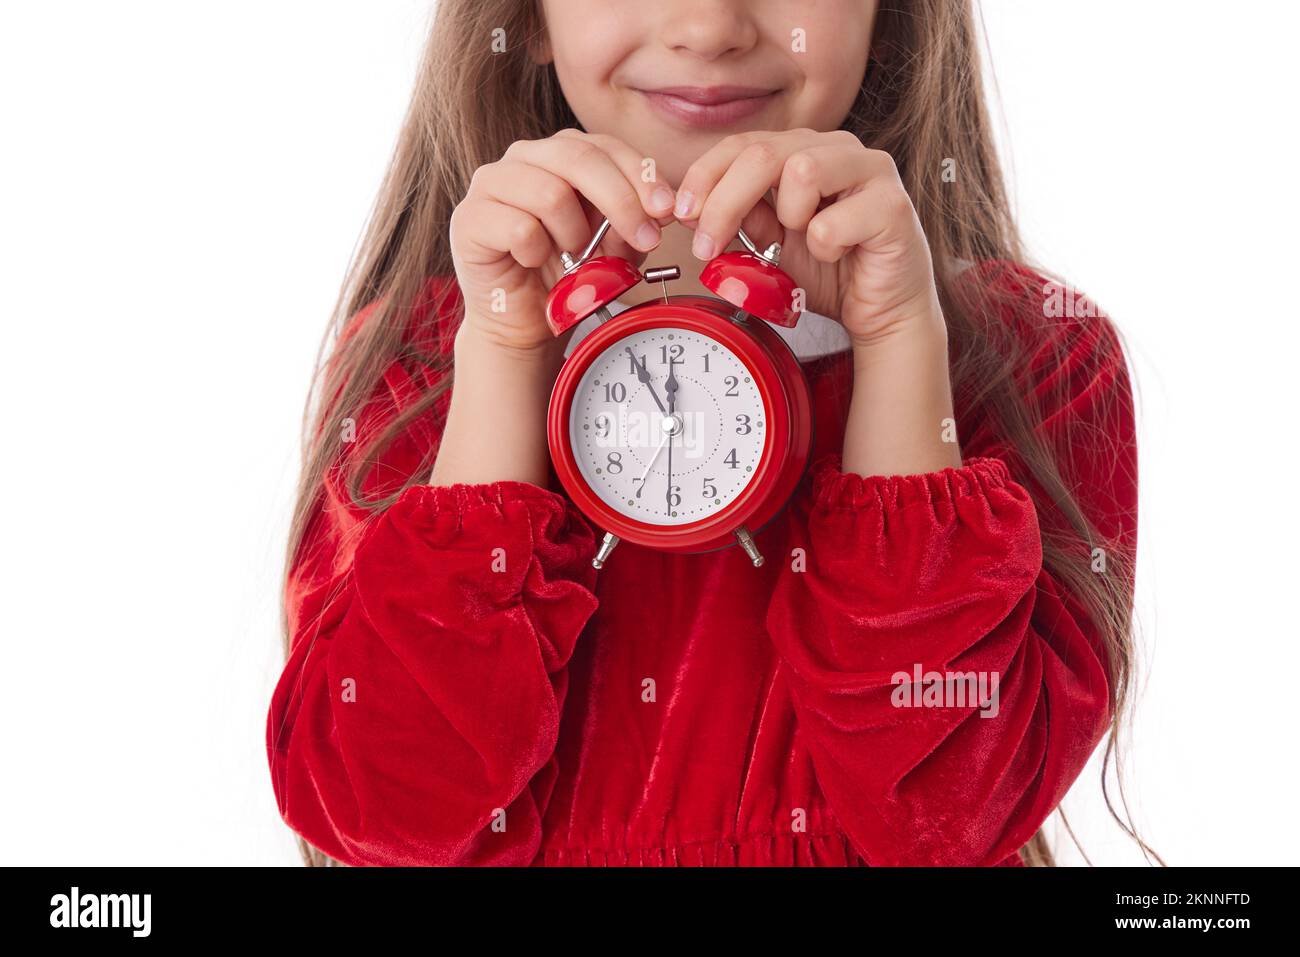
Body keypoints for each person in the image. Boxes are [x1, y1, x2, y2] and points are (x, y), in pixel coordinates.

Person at [265, 0, 1155, 867]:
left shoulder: (1027, 356)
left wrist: (895, 342)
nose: (711, 26)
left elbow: (945, 816)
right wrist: (502, 356)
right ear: (526, 17)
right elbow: (388, 812)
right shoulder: (420, 369)